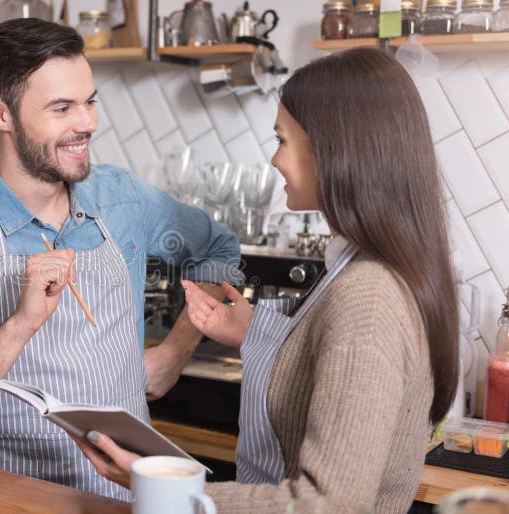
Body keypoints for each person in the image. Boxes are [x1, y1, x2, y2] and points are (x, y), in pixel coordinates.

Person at [72, 47, 459, 513]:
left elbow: (328, 503)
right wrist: (254, 331)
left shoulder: (369, 295)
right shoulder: (365, 269)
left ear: (332, 148)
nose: (275, 160)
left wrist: (158, 491)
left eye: (282, 140)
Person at [0, 18, 242, 501]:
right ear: (0, 113)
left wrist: (176, 353)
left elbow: (218, 249)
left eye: (90, 101)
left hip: (130, 503)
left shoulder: (122, 200)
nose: (87, 123)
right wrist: (20, 325)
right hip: (15, 502)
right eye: (62, 108)